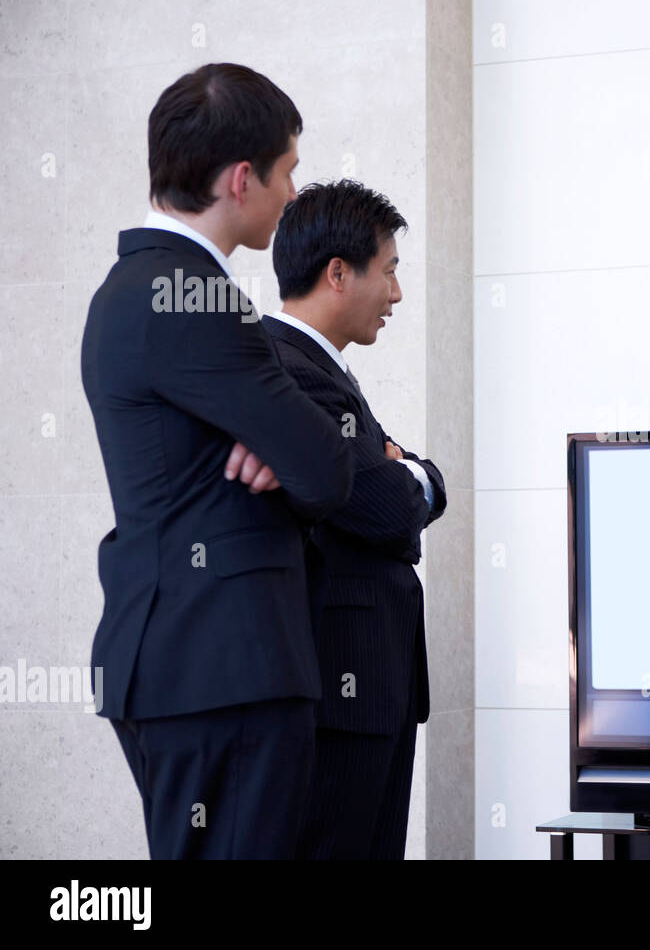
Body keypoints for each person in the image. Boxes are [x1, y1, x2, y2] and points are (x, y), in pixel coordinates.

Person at [82, 63, 354, 859]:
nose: (293, 193)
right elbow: (328, 469)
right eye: (289, 172)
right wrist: (289, 442)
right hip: (223, 665)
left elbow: (296, 453)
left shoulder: (129, 287)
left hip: (176, 656)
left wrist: (281, 441)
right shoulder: (193, 295)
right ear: (242, 179)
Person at [262, 179, 446, 859]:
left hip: (372, 692)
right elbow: (390, 507)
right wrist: (406, 475)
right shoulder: (289, 369)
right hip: (342, 697)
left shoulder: (325, 371)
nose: (397, 294)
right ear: (338, 273)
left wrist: (410, 473)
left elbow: (418, 483)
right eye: (390, 271)